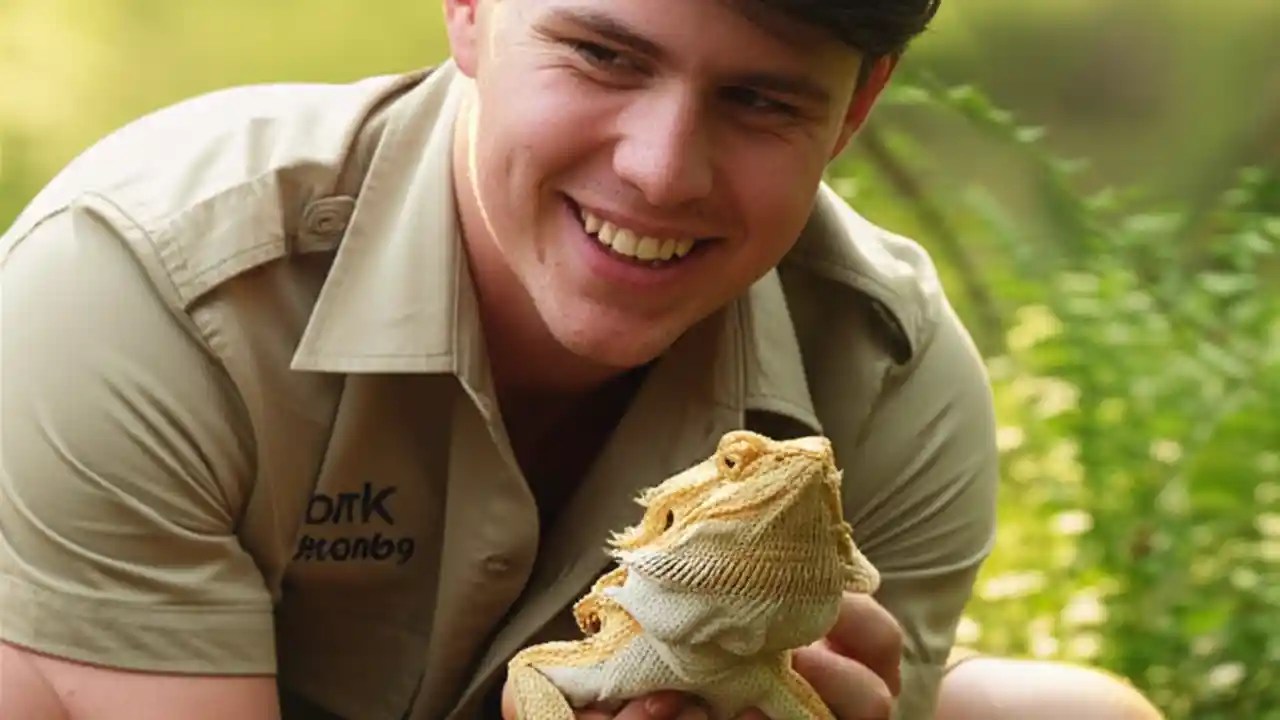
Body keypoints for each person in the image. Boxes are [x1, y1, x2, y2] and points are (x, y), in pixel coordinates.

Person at [0, 1, 1158, 718]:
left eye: (757, 101)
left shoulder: (884, 367)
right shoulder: (147, 284)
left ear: (854, 110)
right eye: (603, 55)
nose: (660, 172)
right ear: (468, 11)